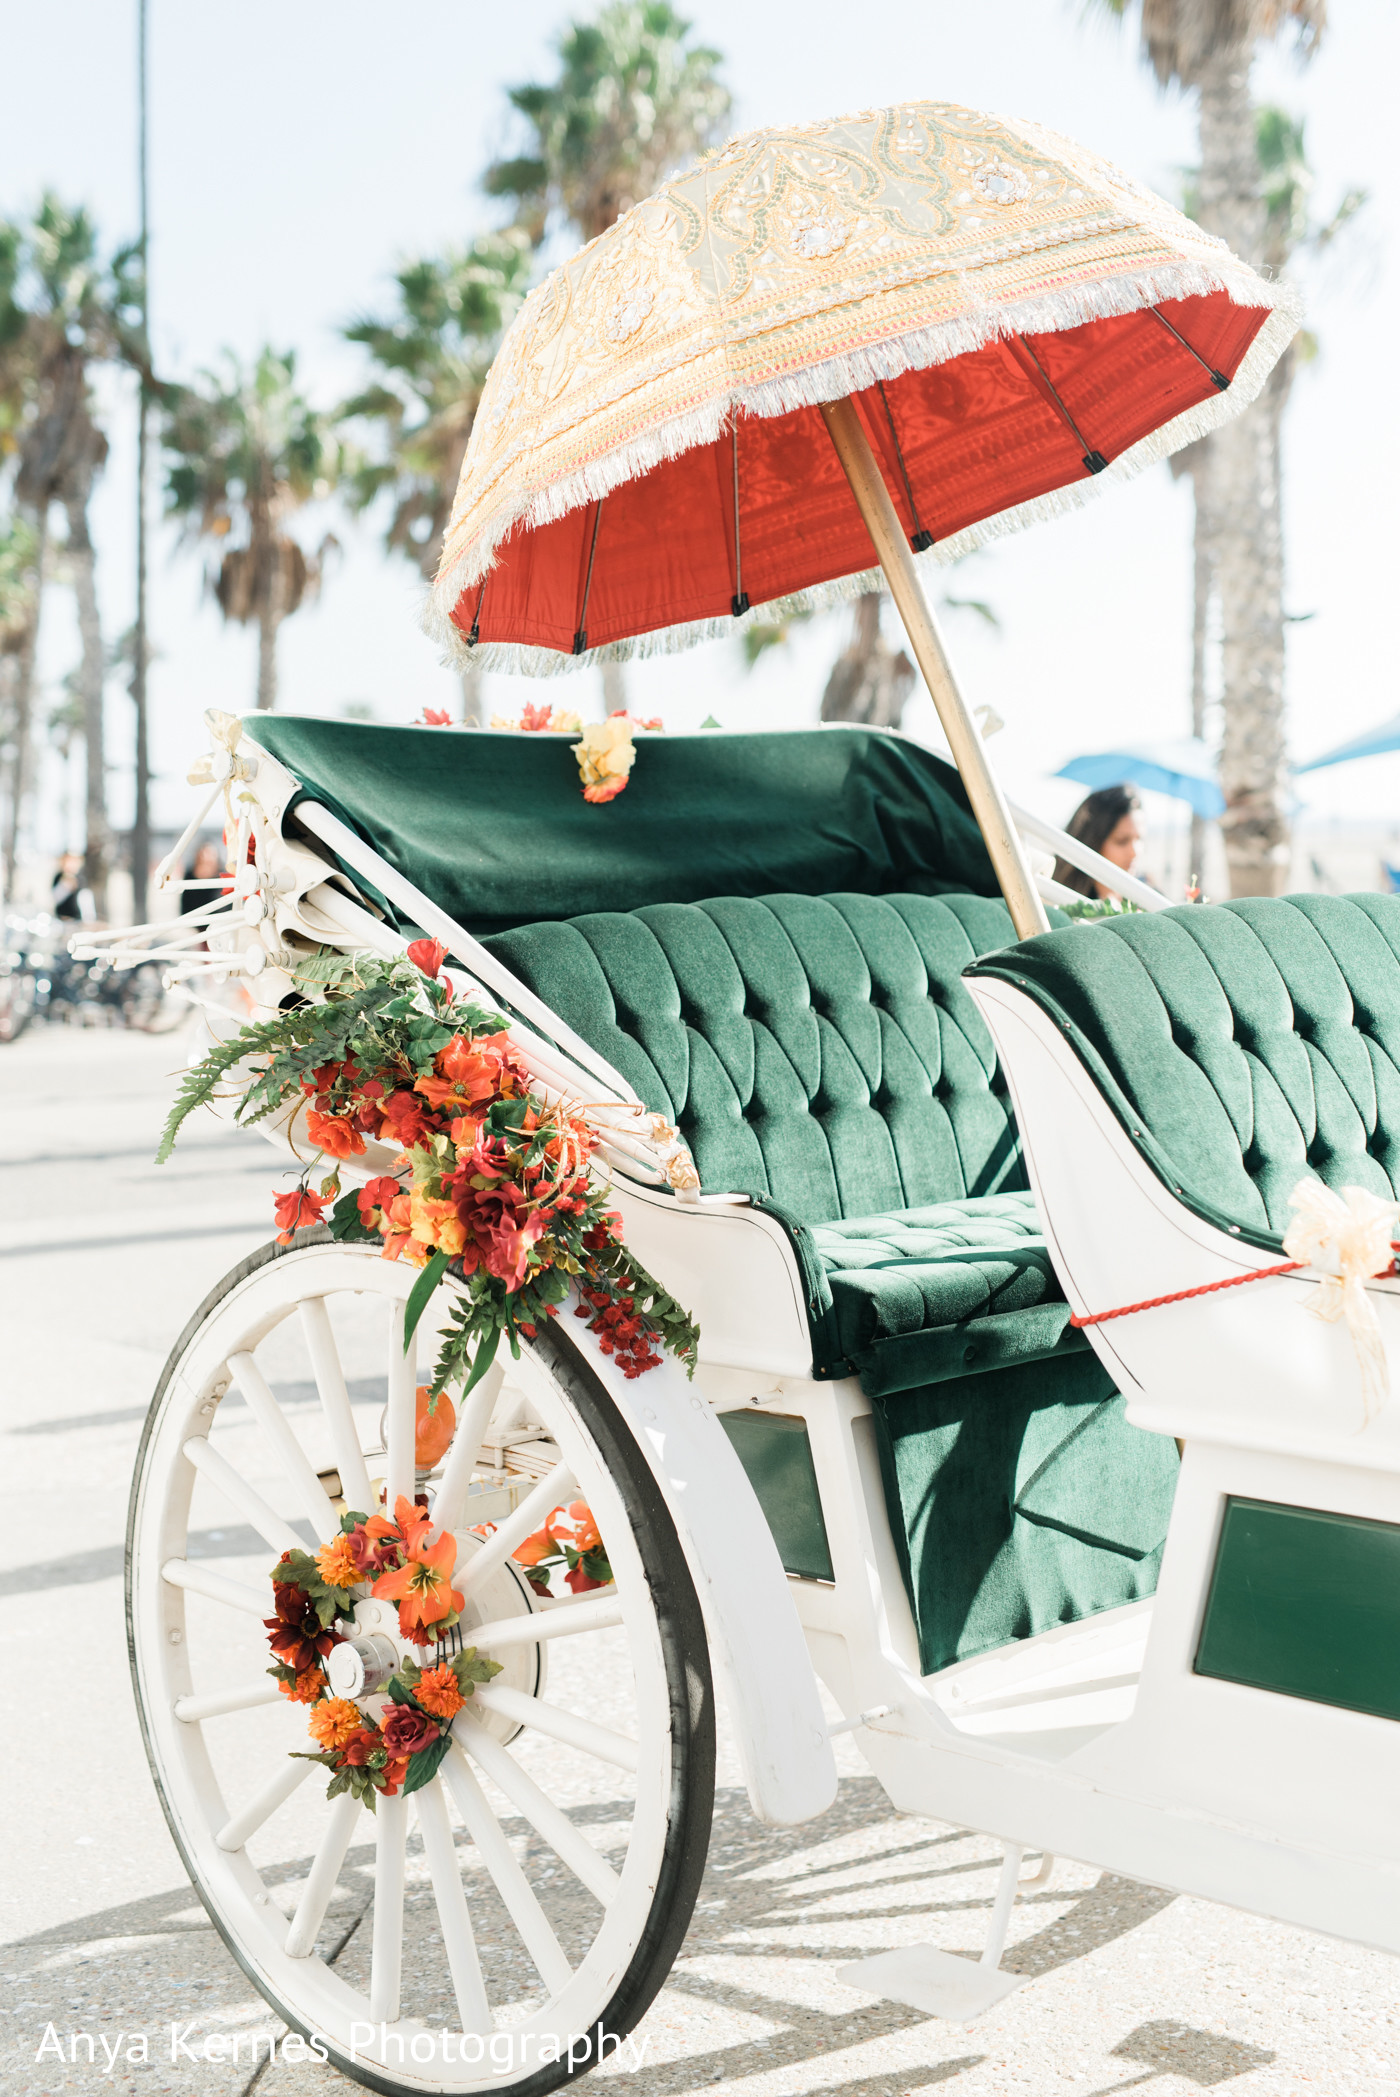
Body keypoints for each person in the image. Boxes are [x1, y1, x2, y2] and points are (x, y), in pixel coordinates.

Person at [1052, 785, 1142, 900]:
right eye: (1121, 841)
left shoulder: (1149, 902)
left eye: (1139, 839)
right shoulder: (1063, 903)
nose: (1134, 852)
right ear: (1094, 844)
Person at [184, 841, 228, 917]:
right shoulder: (189, 876)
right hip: (194, 922)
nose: (206, 858)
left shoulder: (224, 877)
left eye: (210, 855)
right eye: (203, 855)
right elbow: (185, 906)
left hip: (219, 922)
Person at [51, 850, 95, 922]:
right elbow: (55, 898)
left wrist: (89, 919)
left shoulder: (80, 878)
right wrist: (65, 884)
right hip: (61, 918)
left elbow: (86, 900)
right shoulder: (59, 877)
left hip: (77, 919)